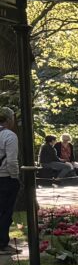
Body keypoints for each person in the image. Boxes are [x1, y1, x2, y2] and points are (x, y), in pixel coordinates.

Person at [0, 110, 18, 256]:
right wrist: (15, 177)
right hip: (5, 178)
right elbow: (12, 161)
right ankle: (2, 244)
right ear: (8, 119)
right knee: (5, 212)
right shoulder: (9, 136)